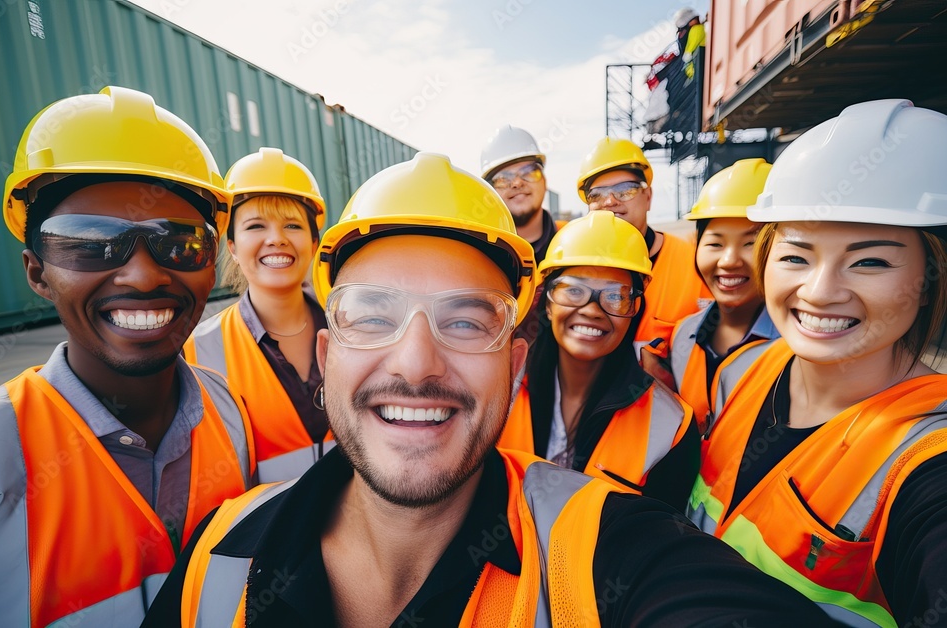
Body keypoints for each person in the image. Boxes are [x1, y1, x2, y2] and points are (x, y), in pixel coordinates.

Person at [145, 152, 837, 627]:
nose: (416, 364)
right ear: (328, 357)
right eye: (373, 316)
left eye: (467, 321)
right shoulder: (218, 555)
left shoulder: (604, 550)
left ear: (513, 366)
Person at [0, 86, 256, 627]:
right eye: (89, 242)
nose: (142, 275)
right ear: (36, 272)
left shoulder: (230, 413)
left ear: (211, 265)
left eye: (179, 243)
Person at [687, 99, 947, 626]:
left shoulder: (925, 461)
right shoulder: (742, 371)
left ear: (930, 282)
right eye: (796, 255)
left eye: (869, 261)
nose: (820, 291)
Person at [497, 211, 699, 511]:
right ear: (548, 303)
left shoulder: (671, 424)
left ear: (634, 310)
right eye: (573, 290)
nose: (592, 310)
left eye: (616, 296)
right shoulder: (499, 389)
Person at [184, 148, 332, 481]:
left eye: (292, 225)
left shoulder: (354, 329)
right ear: (233, 246)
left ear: (314, 241)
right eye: (256, 226)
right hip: (260, 531)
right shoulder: (196, 352)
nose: (276, 239)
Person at [577, 137, 711, 378]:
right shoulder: (576, 269)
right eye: (596, 195)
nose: (610, 201)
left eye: (625, 190)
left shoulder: (694, 263)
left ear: (648, 196)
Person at [670, 158, 779, 434]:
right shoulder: (683, 334)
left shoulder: (799, 347)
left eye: (751, 243)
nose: (729, 261)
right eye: (715, 243)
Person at [480, 125, 564, 264]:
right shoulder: (480, 255)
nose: (517, 183)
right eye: (502, 178)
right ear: (490, 191)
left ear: (544, 181)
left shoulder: (573, 240)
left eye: (529, 171)